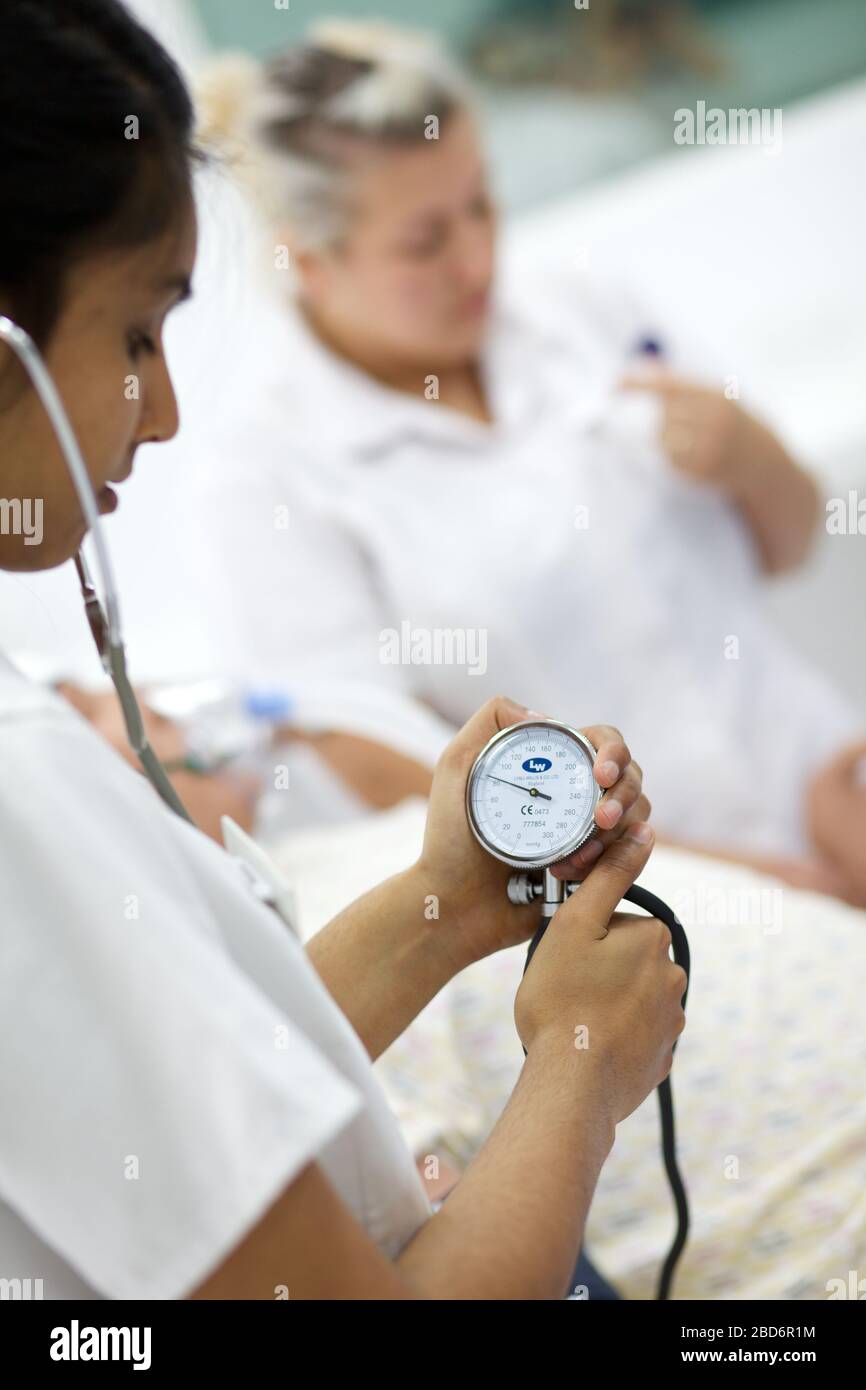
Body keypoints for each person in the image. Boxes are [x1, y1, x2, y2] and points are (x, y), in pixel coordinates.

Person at [0, 0, 684, 1301]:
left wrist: (452, 904)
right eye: (138, 335)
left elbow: (184, 1101)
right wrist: (583, 1065)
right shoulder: (17, 785)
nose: (165, 409)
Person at [183, 20, 866, 904]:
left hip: (830, 779)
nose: (478, 259)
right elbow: (390, 772)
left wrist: (748, 454)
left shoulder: (579, 308)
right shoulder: (266, 482)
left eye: (482, 203)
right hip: (641, 900)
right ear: (310, 261)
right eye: (426, 241)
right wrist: (736, 884)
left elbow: (794, 541)